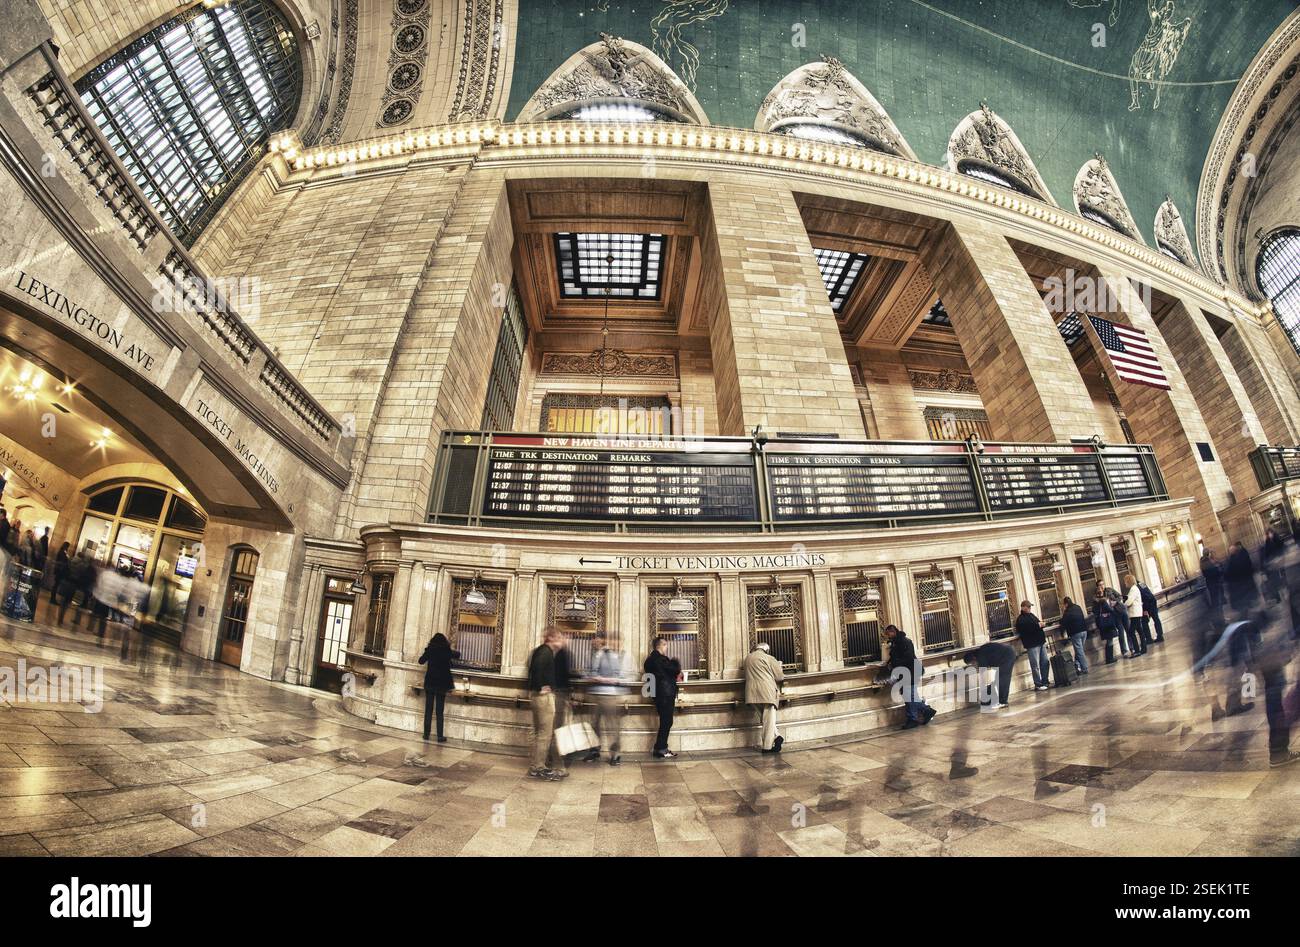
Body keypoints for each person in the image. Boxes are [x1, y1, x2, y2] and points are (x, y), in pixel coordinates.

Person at [526, 628, 565, 780]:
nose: (562, 641)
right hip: (543, 698)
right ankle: (538, 767)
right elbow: (536, 669)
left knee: (539, 733)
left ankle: (536, 764)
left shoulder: (541, 650)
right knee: (545, 733)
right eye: (560, 637)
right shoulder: (545, 652)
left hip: (537, 696)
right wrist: (541, 686)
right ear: (551, 638)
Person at [882, 623, 936, 728]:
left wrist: (895, 663)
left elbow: (908, 658)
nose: (888, 636)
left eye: (889, 634)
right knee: (909, 696)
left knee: (909, 697)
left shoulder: (904, 642)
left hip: (911, 672)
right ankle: (924, 712)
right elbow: (896, 656)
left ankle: (916, 717)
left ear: (894, 632)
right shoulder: (896, 642)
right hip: (907, 672)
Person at [585, 632, 626, 765]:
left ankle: (615, 755)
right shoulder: (593, 654)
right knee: (594, 725)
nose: (594, 642)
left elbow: (618, 676)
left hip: (609, 695)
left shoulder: (610, 654)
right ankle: (594, 751)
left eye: (596, 640)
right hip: (595, 694)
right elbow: (588, 672)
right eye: (593, 640)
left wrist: (601, 679)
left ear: (602, 641)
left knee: (612, 726)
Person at [742, 642, 785, 753]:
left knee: (765, 719)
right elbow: (780, 677)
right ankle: (767, 747)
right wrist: (779, 666)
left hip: (751, 694)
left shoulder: (747, 658)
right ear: (766, 649)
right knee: (769, 719)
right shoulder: (769, 658)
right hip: (767, 692)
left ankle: (777, 737)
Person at [644, 636, 681, 758]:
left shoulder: (648, 660)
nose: (667, 647)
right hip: (666, 694)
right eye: (665, 645)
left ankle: (660, 748)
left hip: (657, 695)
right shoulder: (661, 659)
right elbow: (675, 670)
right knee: (667, 721)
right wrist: (675, 662)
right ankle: (661, 749)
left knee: (665, 721)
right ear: (660, 645)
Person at [418, 633, 459, 742]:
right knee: (439, 711)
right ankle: (440, 736)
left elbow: (421, 661)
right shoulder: (446, 650)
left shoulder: (431, 649)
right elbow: (458, 655)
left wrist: (427, 651)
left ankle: (426, 734)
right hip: (442, 684)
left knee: (428, 709)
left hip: (430, 682)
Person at [963, 639, 1017, 708]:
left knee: (1003, 680)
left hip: (1007, 656)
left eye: (972, 663)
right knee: (999, 679)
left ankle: (1003, 702)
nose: (973, 665)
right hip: (1007, 654)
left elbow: (986, 679)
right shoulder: (980, 653)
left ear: (973, 659)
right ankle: (996, 700)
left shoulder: (980, 657)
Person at [1014, 601, 1050, 690]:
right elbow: (1026, 629)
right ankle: (1038, 684)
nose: (1030, 608)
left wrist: (1041, 624)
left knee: (1045, 662)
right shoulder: (1020, 619)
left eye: (1030, 606)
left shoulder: (1032, 615)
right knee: (1035, 665)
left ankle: (1045, 681)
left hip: (1040, 642)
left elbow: (1037, 624)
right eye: (1028, 607)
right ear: (1023, 607)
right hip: (1032, 644)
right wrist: (1038, 625)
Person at [1095, 579, 1131, 657]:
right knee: (1121, 632)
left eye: (1103, 584)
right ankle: (1124, 651)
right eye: (1100, 585)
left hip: (1121, 610)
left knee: (1128, 629)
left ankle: (1132, 647)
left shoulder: (1109, 590)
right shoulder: (1098, 596)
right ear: (1097, 586)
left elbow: (1119, 596)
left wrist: (1116, 601)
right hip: (1114, 615)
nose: (1102, 586)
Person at [1224, 542, 1260, 619]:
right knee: (1245, 603)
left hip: (1239, 586)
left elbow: (1228, 574)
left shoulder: (1232, 561)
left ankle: (1247, 617)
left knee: (1243, 604)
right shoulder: (1237, 558)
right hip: (1241, 585)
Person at [1093, 583, 1123, 664]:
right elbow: (1110, 610)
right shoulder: (1103, 601)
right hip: (1108, 622)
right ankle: (1109, 658)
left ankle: (1109, 658)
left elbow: (1095, 612)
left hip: (1102, 624)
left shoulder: (1095, 602)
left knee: (1108, 640)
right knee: (1110, 640)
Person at [1060, 596, 1090, 675]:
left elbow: (1063, 623)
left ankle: (1085, 668)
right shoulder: (1077, 607)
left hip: (1075, 633)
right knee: (1079, 650)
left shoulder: (1067, 612)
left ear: (1066, 604)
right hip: (1084, 631)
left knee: (1079, 651)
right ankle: (1077, 666)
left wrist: (1062, 634)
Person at [1122, 575, 1148, 656]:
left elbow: (1129, 601)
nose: (1124, 583)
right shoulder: (1134, 588)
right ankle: (1143, 648)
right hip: (1136, 613)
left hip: (1135, 613)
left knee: (1131, 632)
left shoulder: (1133, 589)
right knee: (1140, 631)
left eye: (1125, 581)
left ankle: (1137, 650)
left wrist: (1123, 603)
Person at [1261, 528, 1286, 604]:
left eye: (1268, 534)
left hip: (1277, 563)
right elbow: (1266, 553)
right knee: (1274, 581)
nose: (1267, 535)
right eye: (1267, 534)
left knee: (1279, 579)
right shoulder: (1267, 542)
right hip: (1271, 565)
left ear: (1272, 533)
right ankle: (1278, 596)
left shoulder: (1276, 539)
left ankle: (1283, 593)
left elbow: (1279, 548)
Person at [1137, 578, 1164, 644]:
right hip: (1153, 601)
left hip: (1147, 604)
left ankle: (1148, 639)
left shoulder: (1137, 588)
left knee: (1144, 622)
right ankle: (1160, 636)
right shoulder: (1142, 584)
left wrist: (1145, 609)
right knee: (1156, 619)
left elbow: (1144, 597)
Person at [50, 541, 69, 605]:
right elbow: (62, 561)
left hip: (59, 570)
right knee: (56, 585)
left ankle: (53, 598)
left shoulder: (62, 552)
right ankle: (52, 598)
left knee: (56, 585)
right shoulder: (62, 553)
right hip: (60, 571)